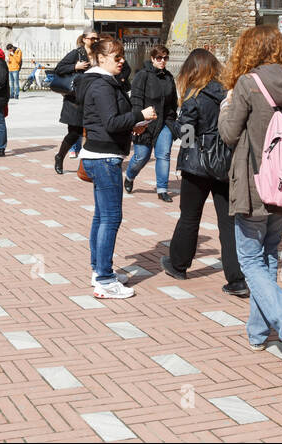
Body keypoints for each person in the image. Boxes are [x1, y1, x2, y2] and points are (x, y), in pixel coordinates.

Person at [219, 25, 282, 375]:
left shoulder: (248, 84)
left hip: (254, 186)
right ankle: (258, 333)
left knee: (249, 262)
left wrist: (225, 107)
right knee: (267, 257)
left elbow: (230, 134)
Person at [162, 48, 246, 297]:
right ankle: (237, 278)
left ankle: (178, 265)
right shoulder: (227, 92)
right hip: (224, 161)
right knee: (228, 222)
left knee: (189, 216)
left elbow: (186, 133)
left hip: (197, 164)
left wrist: (173, 124)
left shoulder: (193, 95)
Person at [81, 37, 155, 298]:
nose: (122, 60)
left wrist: (132, 125)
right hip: (104, 158)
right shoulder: (101, 85)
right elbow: (111, 121)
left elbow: (107, 121)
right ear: (101, 59)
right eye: (117, 57)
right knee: (111, 217)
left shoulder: (104, 83)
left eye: (122, 55)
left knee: (102, 216)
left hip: (101, 154)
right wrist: (139, 116)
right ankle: (104, 279)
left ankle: (100, 269)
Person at [124, 44, 178, 201]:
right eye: (159, 58)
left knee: (164, 155)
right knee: (142, 156)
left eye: (165, 58)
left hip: (165, 123)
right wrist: (137, 121)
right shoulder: (143, 75)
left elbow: (173, 101)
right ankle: (129, 176)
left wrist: (172, 119)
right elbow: (136, 99)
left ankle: (162, 189)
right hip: (145, 122)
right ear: (152, 59)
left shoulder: (168, 77)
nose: (162, 61)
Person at [53, 32, 98, 174]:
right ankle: (60, 156)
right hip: (75, 100)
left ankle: (86, 167)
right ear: (84, 39)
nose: (94, 40)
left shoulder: (99, 54)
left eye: (97, 38)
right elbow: (59, 69)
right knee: (74, 133)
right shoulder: (76, 53)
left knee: (92, 133)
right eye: (92, 38)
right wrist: (75, 67)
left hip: (93, 99)